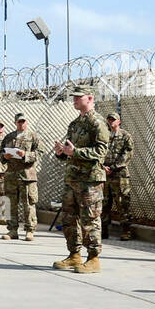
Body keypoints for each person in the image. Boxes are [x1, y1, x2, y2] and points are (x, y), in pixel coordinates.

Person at [52, 91, 109, 273]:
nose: (74, 100)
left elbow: (101, 152)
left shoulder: (97, 123)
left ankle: (93, 259)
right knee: (69, 218)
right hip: (73, 178)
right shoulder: (75, 124)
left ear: (90, 98)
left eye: (78, 97)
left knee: (90, 219)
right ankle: (74, 254)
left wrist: (75, 152)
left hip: (89, 180)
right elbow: (71, 152)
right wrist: (61, 152)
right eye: (73, 97)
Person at [0, 113, 40, 241]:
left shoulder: (33, 137)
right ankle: (12, 230)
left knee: (28, 203)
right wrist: (4, 157)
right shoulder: (9, 137)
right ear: (15, 123)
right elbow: (1, 154)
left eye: (23, 121)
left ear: (26, 122)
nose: (21, 124)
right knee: (10, 203)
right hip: (11, 176)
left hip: (27, 176)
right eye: (19, 122)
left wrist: (25, 155)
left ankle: (30, 230)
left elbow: (39, 154)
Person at [102, 112, 135, 240]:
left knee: (122, 203)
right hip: (105, 175)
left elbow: (127, 155)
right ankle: (103, 231)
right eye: (109, 119)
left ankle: (126, 231)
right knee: (104, 203)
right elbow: (99, 152)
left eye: (113, 120)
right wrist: (102, 167)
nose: (111, 122)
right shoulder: (104, 136)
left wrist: (113, 167)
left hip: (120, 176)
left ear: (119, 121)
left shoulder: (125, 136)